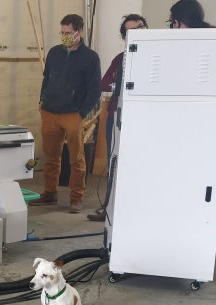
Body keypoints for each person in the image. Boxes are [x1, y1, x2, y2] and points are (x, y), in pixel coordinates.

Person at [28, 14, 101, 214]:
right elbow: (47, 78)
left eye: (68, 33)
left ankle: (76, 197)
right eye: (62, 32)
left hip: (72, 114)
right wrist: (42, 100)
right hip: (50, 112)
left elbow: (95, 89)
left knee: (76, 159)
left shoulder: (91, 58)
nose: (64, 36)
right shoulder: (54, 53)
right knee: (51, 156)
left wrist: (82, 113)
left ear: (79, 32)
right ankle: (49, 193)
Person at [87, 14, 148, 222]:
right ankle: (110, 208)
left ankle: (136, 207)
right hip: (118, 116)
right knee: (116, 162)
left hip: (144, 119)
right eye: (130, 31)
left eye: (140, 28)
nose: (136, 33)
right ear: (124, 36)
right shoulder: (121, 58)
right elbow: (104, 84)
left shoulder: (155, 56)